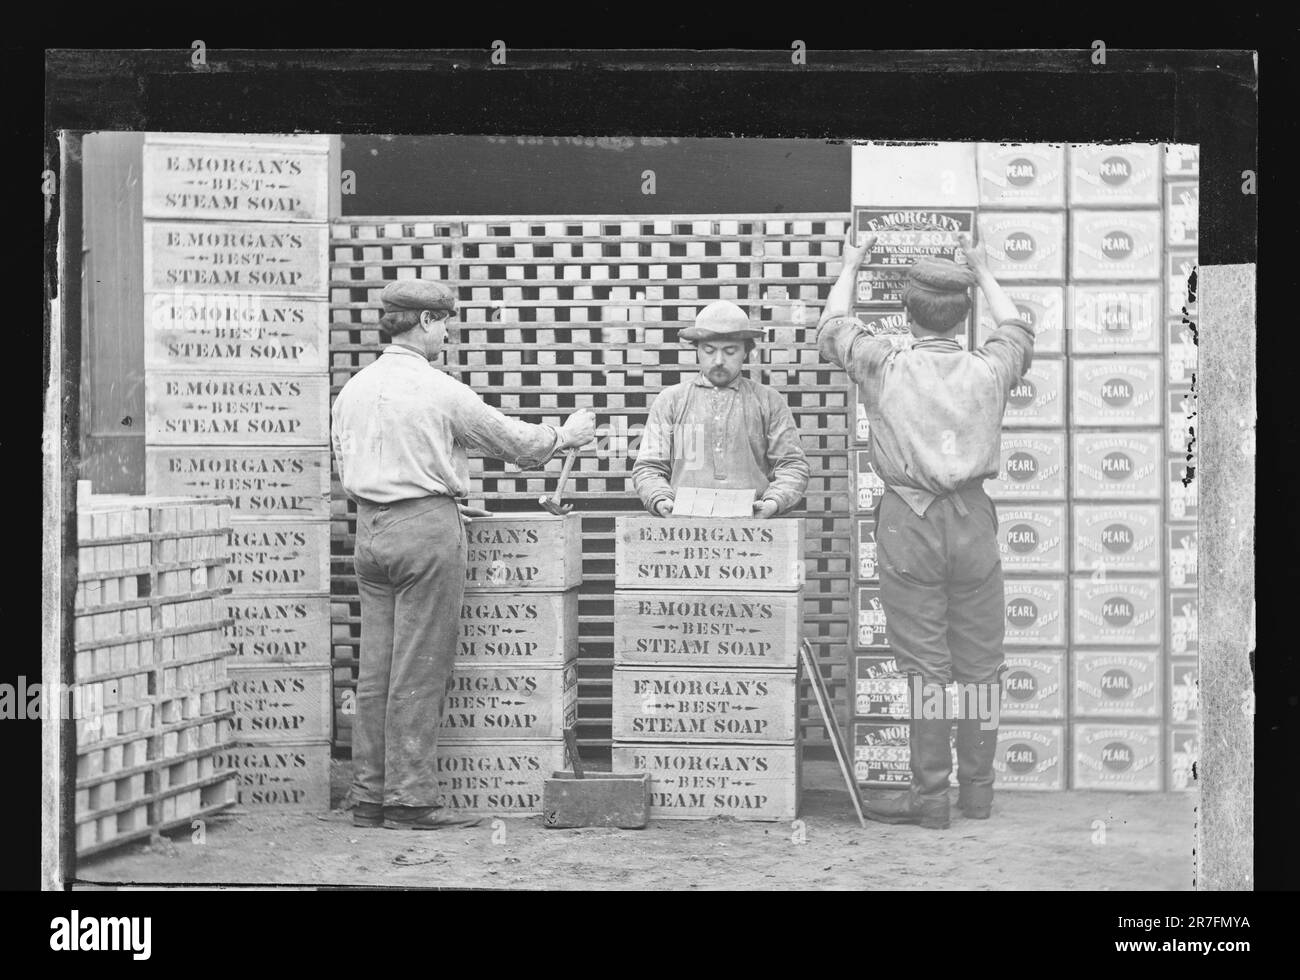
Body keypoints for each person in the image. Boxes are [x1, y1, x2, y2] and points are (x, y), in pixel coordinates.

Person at [331, 280, 597, 830]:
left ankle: (368, 797)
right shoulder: (438, 389)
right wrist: (566, 435)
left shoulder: (352, 391)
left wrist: (437, 495)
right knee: (420, 668)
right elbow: (517, 446)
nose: (447, 333)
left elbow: (361, 467)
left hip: (370, 532)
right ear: (425, 321)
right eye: (444, 322)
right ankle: (411, 800)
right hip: (426, 535)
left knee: (376, 669)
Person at [817, 231, 1035, 829]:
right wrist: (985, 272)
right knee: (982, 665)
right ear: (965, 316)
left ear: (906, 313)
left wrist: (851, 265)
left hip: (907, 524)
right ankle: (980, 793)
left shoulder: (884, 365)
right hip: (974, 523)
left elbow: (834, 323)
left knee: (927, 669)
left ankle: (931, 798)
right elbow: (1017, 328)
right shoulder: (990, 368)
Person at [632, 300, 810, 518]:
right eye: (709, 350)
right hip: (684, 529)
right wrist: (661, 499)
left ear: (746, 351)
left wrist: (773, 502)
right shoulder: (671, 401)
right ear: (697, 350)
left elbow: (792, 465)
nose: (718, 360)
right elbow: (648, 467)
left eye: (730, 351)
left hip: (752, 528)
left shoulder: (769, 401)